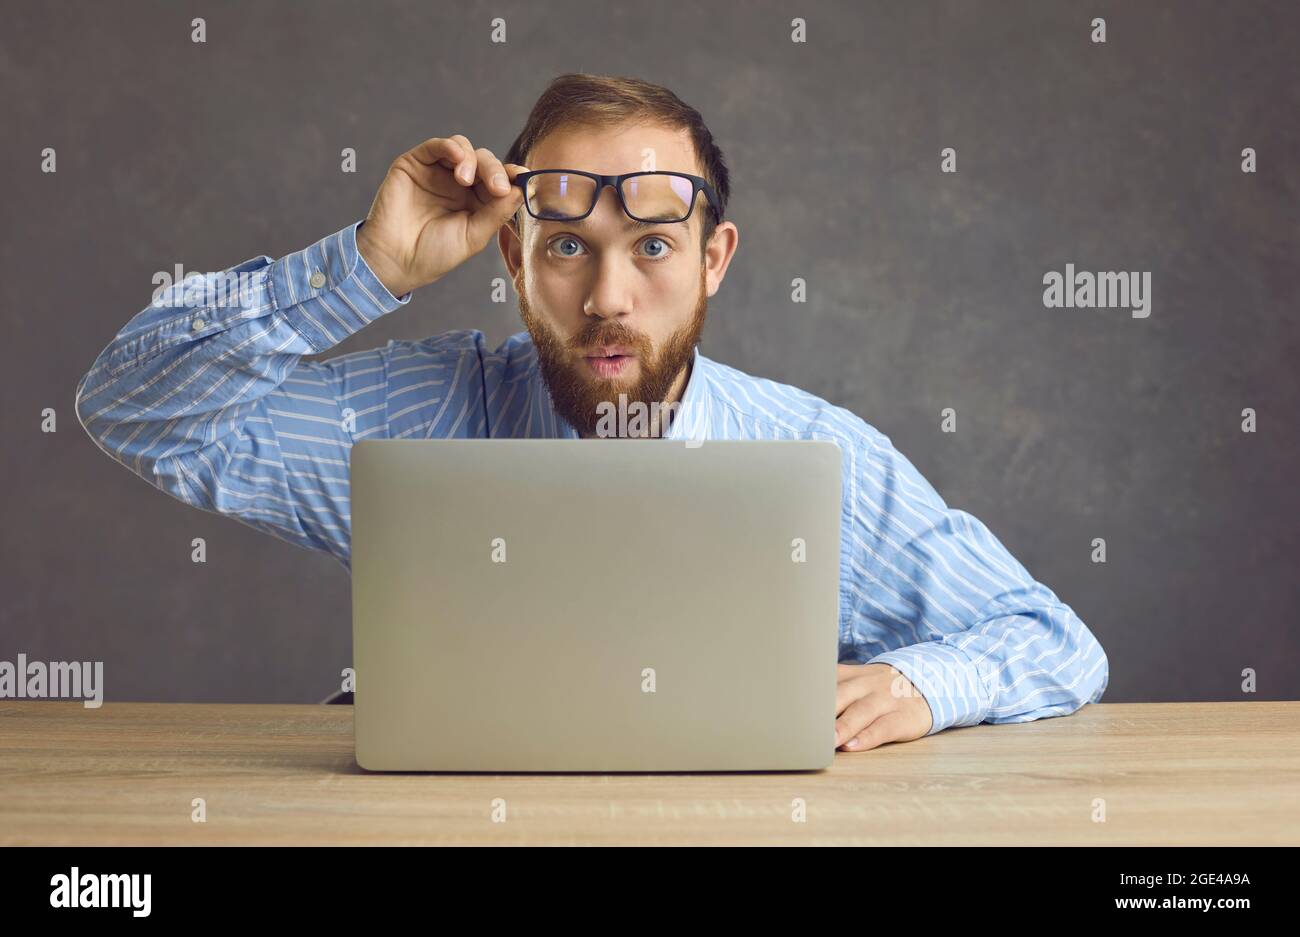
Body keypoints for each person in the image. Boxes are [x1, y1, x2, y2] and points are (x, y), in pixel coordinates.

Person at [75, 73, 1108, 752]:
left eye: (653, 247)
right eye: (567, 246)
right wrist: (366, 266)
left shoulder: (822, 455)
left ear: (713, 262)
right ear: (516, 258)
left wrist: (927, 683)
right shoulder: (424, 412)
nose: (609, 298)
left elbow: (1054, 639)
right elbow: (136, 406)